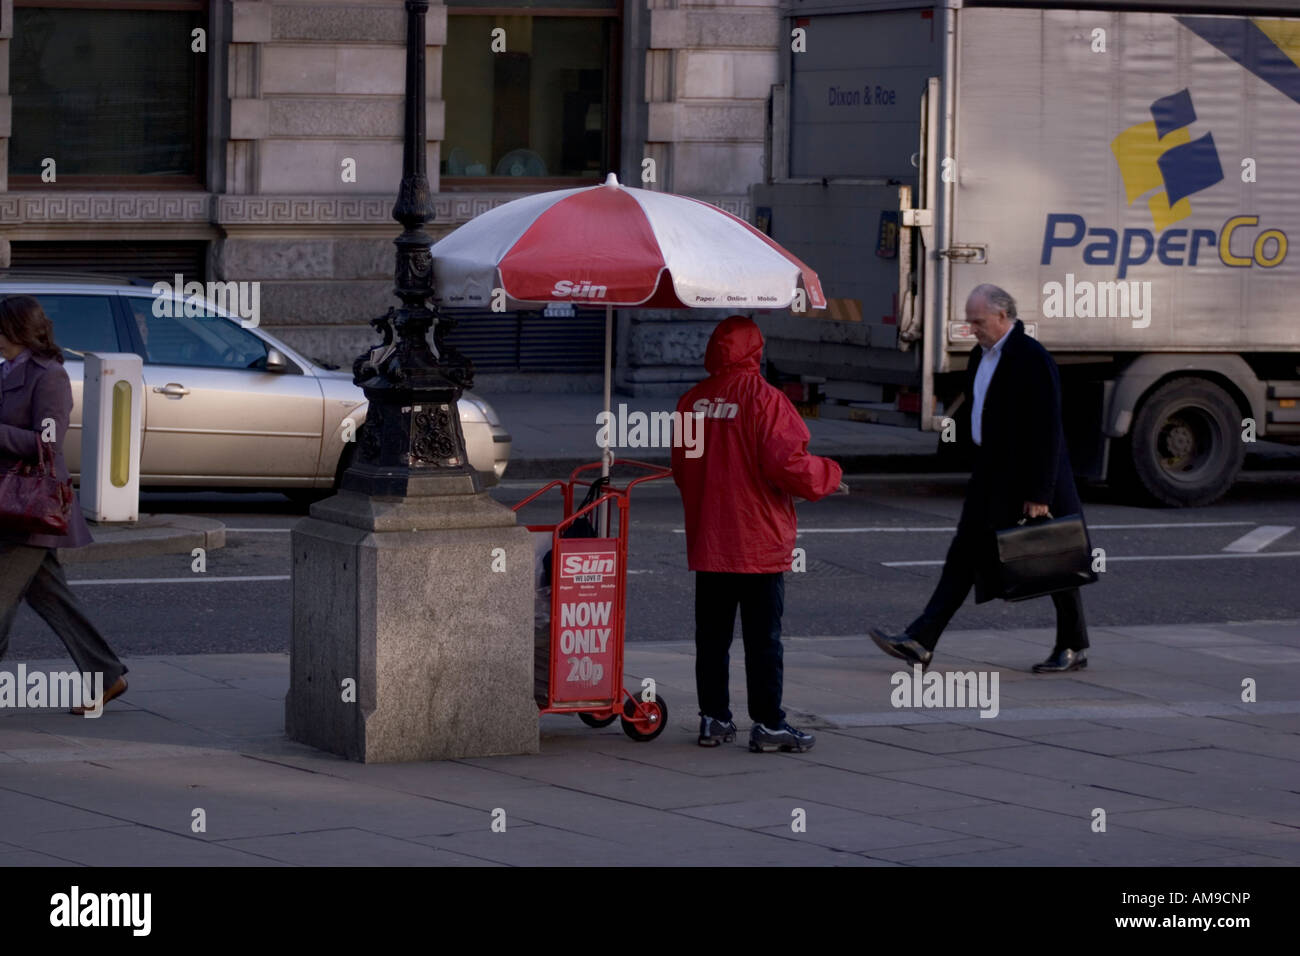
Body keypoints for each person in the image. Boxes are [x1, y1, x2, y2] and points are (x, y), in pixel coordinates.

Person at [870, 284, 1090, 673]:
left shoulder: (1031, 358)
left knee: (1053, 560)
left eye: (978, 321)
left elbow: (1046, 429)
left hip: (1027, 479)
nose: (972, 329)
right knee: (964, 556)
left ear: (1003, 317)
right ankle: (922, 641)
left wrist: (1039, 493)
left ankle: (1072, 645)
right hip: (991, 474)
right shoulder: (980, 356)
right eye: (970, 321)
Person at [672, 315, 845, 752]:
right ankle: (768, 723)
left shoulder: (692, 402)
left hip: (711, 540)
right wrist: (829, 475)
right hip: (757, 540)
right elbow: (787, 464)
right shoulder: (765, 400)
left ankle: (713, 719)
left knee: (711, 638)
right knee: (763, 638)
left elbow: (684, 470)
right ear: (756, 350)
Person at [0, 295, 129, 713]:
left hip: (30, 506)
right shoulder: (5, 370)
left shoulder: (49, 376)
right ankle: (106, 674)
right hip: (7, 502)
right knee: (51, 597)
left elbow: (48, 441)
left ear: (17, 331)